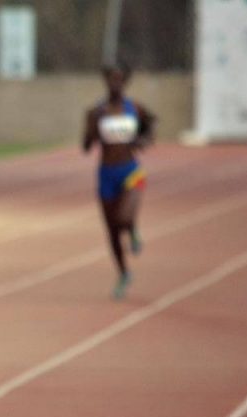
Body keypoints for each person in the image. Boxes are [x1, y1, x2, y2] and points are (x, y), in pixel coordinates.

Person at [83, 62, 156, 299]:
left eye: (119, 79)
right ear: (105, 81)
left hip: (131, 171)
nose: (114, 83)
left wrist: (143, 141)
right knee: (112, 230)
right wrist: (91, 126)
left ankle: (133, 228)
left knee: (124, 217)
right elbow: (86, 146)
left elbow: (150, 125)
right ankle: (124, 273)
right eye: (110, 79)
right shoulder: (98, 111)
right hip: (106, 174)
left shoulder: (135, 108)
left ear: (125, 82)